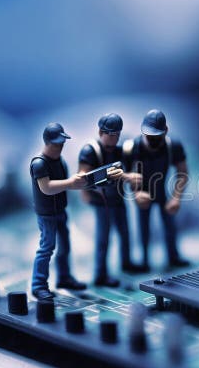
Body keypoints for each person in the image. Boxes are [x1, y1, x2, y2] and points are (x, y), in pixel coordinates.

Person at [30, 123, 121, 300]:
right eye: (57, 143)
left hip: (61, 211)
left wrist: (89, 182)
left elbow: (67, 184)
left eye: (62, 143)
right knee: (46, 248)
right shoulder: (39, 164)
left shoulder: (60, 161)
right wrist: (71, 183)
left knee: (65, 246)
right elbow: (46, 188)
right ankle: (38, 285)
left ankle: (64, 278)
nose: (60, 146)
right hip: (47, 215)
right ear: (47, 142)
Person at [78, 113, 145, 288]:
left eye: (117, 134)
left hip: (118, 198)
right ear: (101, 132)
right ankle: (100, 274)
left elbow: (128, 172)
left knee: (125, 233)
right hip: (102, 202)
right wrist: (123, 174)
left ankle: (126, 263)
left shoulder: (120, 150)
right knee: (104, 239)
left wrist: (133, 185)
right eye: (111, 134)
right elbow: (84, 178)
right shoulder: (90, 151)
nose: (114, 138)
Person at [123, 109, 190, 270]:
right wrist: (136, 193)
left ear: (165, 131)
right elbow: (125, 175)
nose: (152, 141)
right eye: (149, 136)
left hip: (162, 194)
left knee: (170, 226)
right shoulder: (131, 148)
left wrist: (176, 197)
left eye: (156, 136)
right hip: (142, 194)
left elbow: (183, 173)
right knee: (143, 228)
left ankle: (173, 257)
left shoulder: (173, 145)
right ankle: (144, 260)